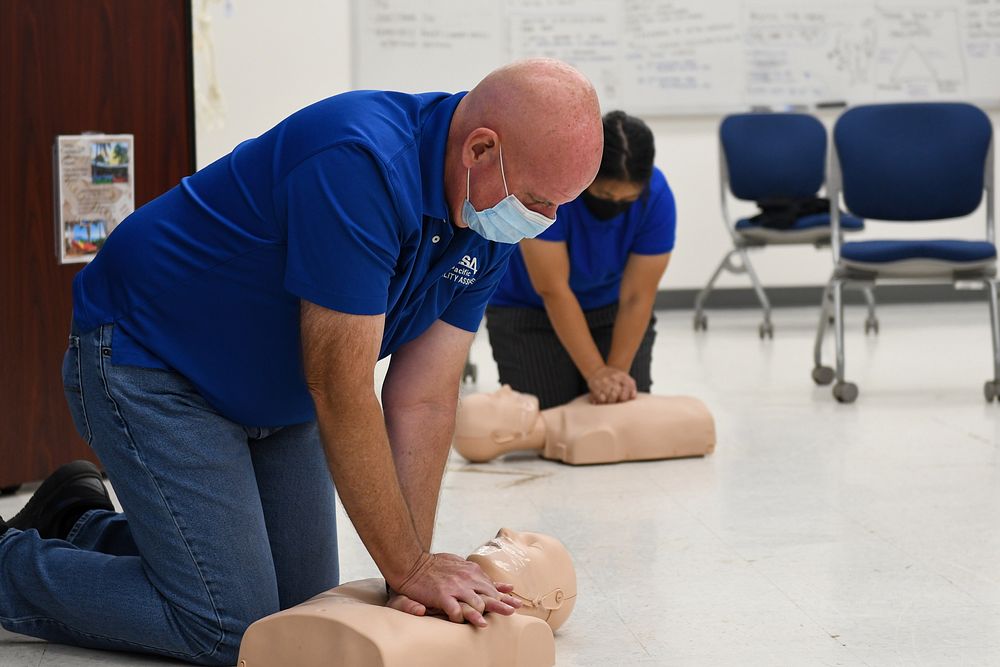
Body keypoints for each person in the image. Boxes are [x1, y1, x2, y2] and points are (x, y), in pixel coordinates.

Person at [0, 58, 603, 665]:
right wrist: (411, 566)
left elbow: (423, 399)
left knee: (298, 612)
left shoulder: (486, 222)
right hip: (154, 359)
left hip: (276, 390)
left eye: (558, 206)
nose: (542, 222)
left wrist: (409, 574)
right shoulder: (360, 163)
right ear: (480, 149)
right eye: (536, 200)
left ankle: (75, 521)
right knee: (234, 626)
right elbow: (340, 386)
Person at [486, 111, 676, 409]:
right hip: (529, 309)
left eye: (626, 201)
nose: (614, 205)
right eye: (605, 195)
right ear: (587, 175)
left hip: (611, 309)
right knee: (548, 414)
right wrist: (595, 372)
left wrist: (614, 374)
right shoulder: (552, 187)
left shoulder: (657, 196)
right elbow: (553, 289)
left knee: (621, 408)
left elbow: (638, 296)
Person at [237, 528, 575, 667]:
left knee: (229, 632)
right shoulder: (377, 584)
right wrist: (409, 571)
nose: (505, 532)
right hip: (294, 635)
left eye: (531, 545)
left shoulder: (525, 633)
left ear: (553, 599)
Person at [453, 385, 716, 465]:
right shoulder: (582, 438)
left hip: (693, 410)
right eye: (494, 400)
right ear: (502, 436)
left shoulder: (567, 415)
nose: (504, 389)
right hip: (696, 421)